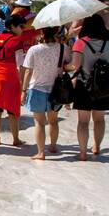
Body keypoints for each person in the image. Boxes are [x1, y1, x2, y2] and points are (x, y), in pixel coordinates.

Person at [67, 14, 109, 160]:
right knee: (100, 119)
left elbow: (75, 66)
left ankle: (82, 153)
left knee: (83, 121)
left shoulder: (81, 42)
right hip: (104, 85)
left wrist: (64, 67)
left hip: (85, 84)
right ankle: (97, 147)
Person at [0, 15, 29, 146]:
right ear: (12, 26)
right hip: (10, 78)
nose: (22, 29)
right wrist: (22, 83)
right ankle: (15, 139)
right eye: (21, 26)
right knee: (12, 110)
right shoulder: (17, 41)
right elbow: (20, 64)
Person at [20, 26, 66, 160]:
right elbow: (68, 64)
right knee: (53, 121)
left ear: (41, 32)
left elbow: (28, 71)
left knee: (39, 122)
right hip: (56, 89)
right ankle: (53, 146)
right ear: (57, 32)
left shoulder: (34, 49)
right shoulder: (63, 48)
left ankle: (41, 152)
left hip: (37, 89)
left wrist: (23, 91)